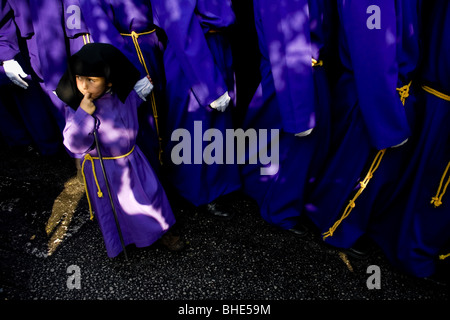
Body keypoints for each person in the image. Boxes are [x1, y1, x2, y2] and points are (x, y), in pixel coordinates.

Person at [303, 0, 421, 258]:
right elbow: (373, 54)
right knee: (358, 168)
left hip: (376, 90)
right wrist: (388, 118)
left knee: (356, 166)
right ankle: (337, 227)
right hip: (376, 94)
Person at [56, 43, 183, 258]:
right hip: (104, 168)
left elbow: (130, 105)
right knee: (118, 208)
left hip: (132, 160)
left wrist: (140, 94)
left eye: (92, 80)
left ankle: (161, 231)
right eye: (79, 78)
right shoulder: (78, 107)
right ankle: (127, 239)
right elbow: (73, 144)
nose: (84, 86)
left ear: (110, 80)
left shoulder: (119, 94)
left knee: (150, 196)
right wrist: (83, 117)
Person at [238, 0, 336, 235]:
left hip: (302, 68)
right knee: (297, 146)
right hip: (296, 72)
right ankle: (280, 208)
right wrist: (301, 114)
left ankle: (267, 194)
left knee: (277, 139)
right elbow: (289, 43)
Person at [368, 0, 450, 280]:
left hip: (431, 94)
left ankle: (398, 238)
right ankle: (414, 252)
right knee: (429, 185)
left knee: (416, 179)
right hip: (439, 96)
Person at [150, 0, 242, 219]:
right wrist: (208, 85)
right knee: (195, 124)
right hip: (195, 50)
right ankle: (197, 192)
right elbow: (180, 26)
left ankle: (215, 185)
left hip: (214, 42)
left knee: (216, 124)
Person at [79, 0, 167, 175]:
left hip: (154, 47)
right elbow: (104, 31)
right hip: (129, 52)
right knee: (144, 121)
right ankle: (151, 176)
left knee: (164, 111)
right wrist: (133, 70)